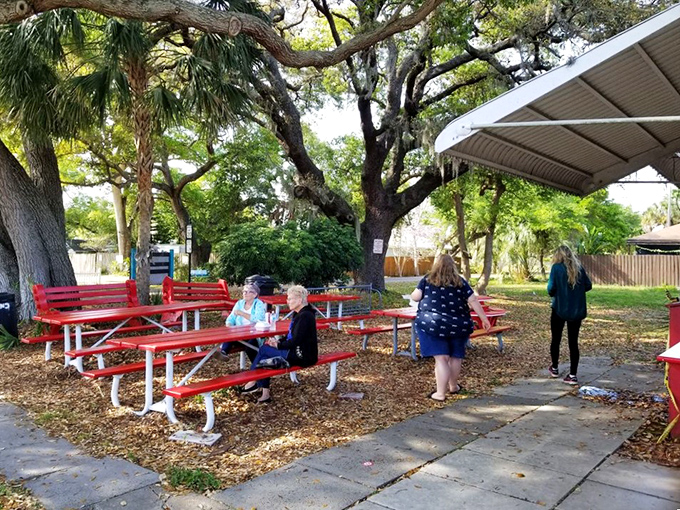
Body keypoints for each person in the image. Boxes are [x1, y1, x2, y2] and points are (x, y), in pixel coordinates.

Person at [411, 254, 491, 402]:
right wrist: (484, 319)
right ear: (453, 265)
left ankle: (440, 394)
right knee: (456, 356)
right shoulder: (460, 281)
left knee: (441, 358)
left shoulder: (427, 279)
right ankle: (453, 386)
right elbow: (473, 300)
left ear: (436, 265)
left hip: (433, 324)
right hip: (458, 324)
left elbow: (415, 297)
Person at [242, 285, 318, 404]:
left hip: (302, 356)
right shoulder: (300, 314)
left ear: (299, 300)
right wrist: (278, 342)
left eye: (290, 299)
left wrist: (278, 346)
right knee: (264, 358)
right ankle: (264, 393)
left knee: (263, 350)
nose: (287, 301)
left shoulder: (305, 316)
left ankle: (251, 381)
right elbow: (291, 336)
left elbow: (296, 340)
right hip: (296, 352)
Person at [547, 245, 592, 385]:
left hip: (559, 308)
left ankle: (554, 368)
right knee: (573, 342)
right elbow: (588, 285)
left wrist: (559, 291)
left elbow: (550, 289)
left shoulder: (556, 268)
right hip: (576, 310)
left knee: (556, 339)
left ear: (558, 255)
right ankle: (573, 375)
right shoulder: (579, 268)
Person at [220, 283, 267, 364]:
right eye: (244, 291)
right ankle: (223, 353)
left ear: (255, 294)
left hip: (254, 334)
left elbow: (259, 319)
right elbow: (231, 318)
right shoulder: (239, 303)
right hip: (240, 334)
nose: (245, 293)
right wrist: (229, 326)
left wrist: (242, 313)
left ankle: (258, 367)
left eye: (249, 291)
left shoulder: (258, 304)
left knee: (250, 346)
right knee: (229, 336)